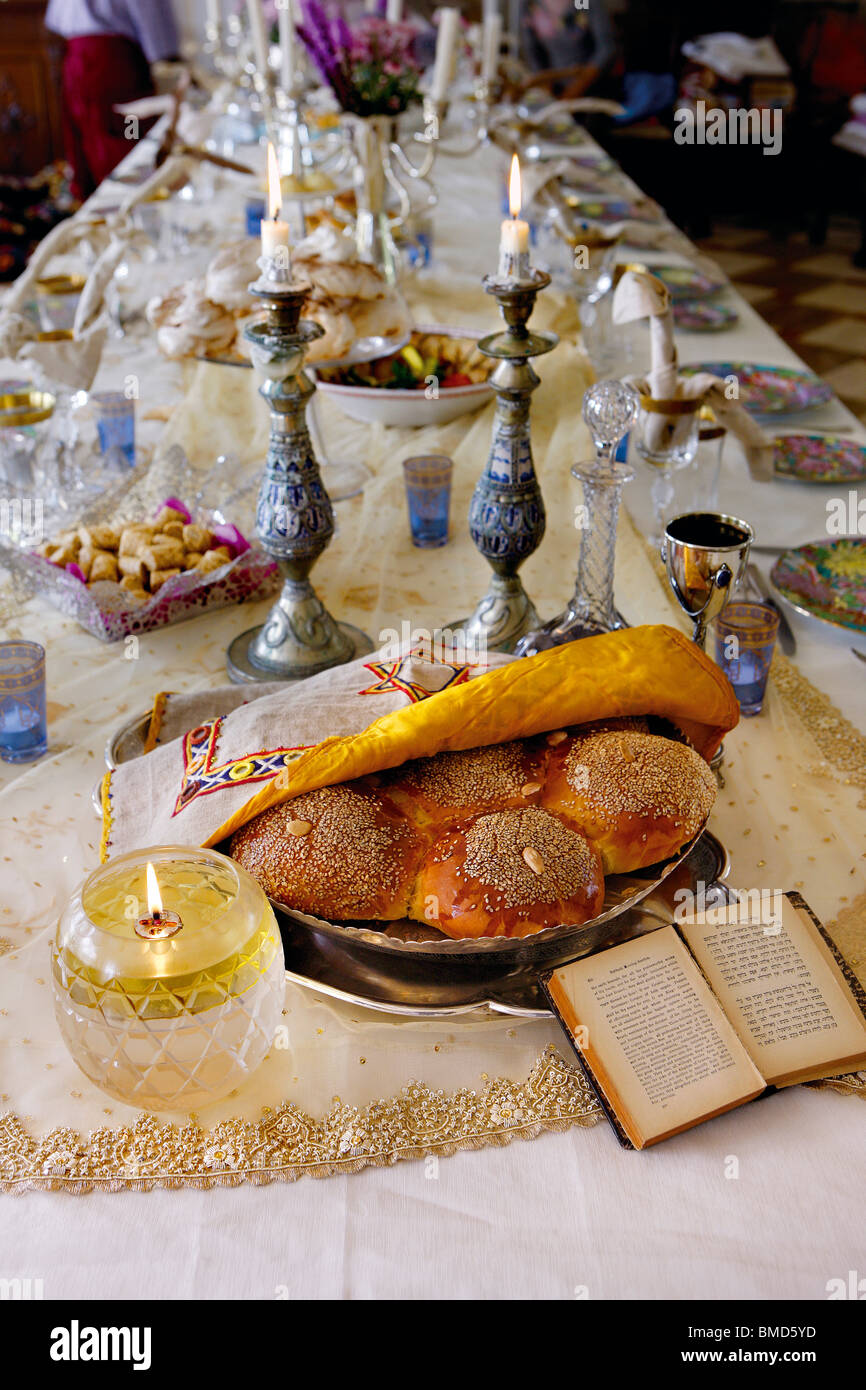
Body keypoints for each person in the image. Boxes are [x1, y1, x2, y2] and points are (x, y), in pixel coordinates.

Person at [45, 0, 180, 201]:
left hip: (77, 61)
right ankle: (130, 199)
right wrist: (167, 57)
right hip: (115, 63)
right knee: (129, 130)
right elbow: (149, 12)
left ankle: (102, 203)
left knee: (93, 136)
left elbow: (55, 18)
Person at [517, 0, 615, 100]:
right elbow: (531, 50)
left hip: (591, 89)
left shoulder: (582, 3)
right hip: (553, 86)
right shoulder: (530, 3)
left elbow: (606, 49)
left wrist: (573, 92)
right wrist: (546, 88)